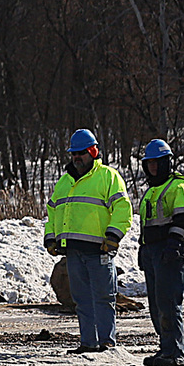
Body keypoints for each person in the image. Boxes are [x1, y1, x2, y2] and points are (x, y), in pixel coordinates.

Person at [44, 129, 132, 354]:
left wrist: (113, 236)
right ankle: (88, 342)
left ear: (93, 152)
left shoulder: (108, 177)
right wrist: (51, 237)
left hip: (99, 250)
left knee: (103, 296)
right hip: (73, 251)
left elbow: (123, 209)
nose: (77, 157)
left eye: (81, 153)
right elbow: (53, 211)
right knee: (81, 299)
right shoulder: (64, 182)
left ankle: (106, 342)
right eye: (74, 153)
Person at [137, 139, 184, 366]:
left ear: (166, 163)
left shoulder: (178, 187)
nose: (153, 167)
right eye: (149, 163)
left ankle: (175, 352)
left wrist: (173, 244)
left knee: (168, 303)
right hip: (154, 252)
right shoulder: (152, 190)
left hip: (172, 251)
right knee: (156, 305)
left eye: (157, 163)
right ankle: (166, 348)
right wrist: (143, 249)